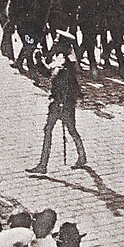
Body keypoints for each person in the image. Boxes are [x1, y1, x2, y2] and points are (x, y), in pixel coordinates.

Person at [28, 33, 87, 175]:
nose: (54, 44)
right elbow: (49, 72)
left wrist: (61, 104)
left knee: (52, 130)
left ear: (63, 46)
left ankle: (43, 165)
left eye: (57, 43)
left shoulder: (65, 64)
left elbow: (64, 84)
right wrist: (39, 61)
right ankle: (81, 156)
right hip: (62, 103)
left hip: (60, 104)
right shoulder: (63, 60)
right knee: (68, 130)